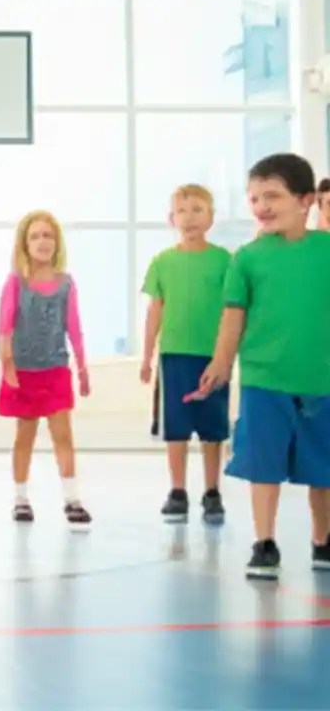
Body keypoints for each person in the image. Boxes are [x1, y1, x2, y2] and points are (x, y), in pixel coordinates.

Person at [193, 153, 330, 579]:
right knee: (263, 464)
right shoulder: (247, 258)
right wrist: (220, 361)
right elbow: (233, 314)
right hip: (264, 379)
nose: (261, 206)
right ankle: (264, 542)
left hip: (321, 379)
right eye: (254, 198)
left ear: (305, 200)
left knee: (323, 468)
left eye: (272, 195)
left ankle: (323, 540)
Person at [139, 185, 231, 525]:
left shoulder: (224, 260)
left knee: (213, 429)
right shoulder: (163, 262)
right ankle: (177, 491)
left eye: (197, 210)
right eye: (182, 210)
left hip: (213, 358)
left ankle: (212, 491)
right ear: (171, 218)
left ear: (210, 217)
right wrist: (147, 357)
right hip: (173, 356)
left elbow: (231, 311)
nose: (189, 217)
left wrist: (226, 354)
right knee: (175, 428)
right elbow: (154, 311)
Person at [0, 210, 92, 527]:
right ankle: (21, 498)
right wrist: (6, 363)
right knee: (25, 436)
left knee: (63, 435)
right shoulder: (16, 283)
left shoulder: (66, 284)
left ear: (57, 242)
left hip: (55, 368)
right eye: (35, 236)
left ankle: (72, 498)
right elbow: (4, 326)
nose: (42, 241)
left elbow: (74, 327)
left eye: (47, 235)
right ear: (24, 243)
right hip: (24, 370)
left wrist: (82, 367)